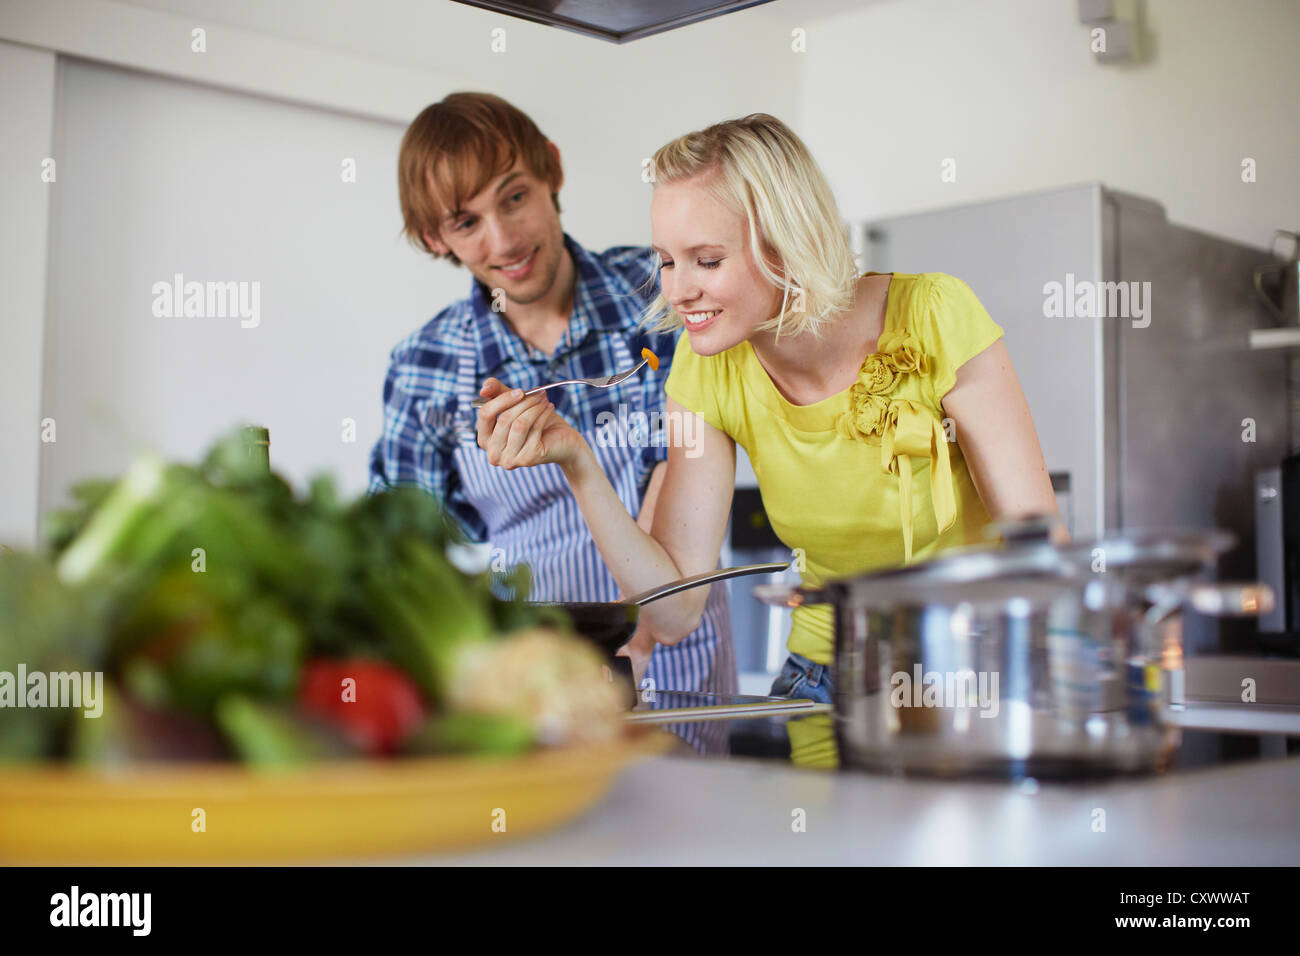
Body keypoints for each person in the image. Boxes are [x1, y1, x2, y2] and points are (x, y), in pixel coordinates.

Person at [474, 113, 1063, 763]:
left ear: (788, 244)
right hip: (820, 683)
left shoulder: (935, 316)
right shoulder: (705, 367)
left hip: (969, 677)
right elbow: (675, 612)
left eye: (706, 260)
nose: (679, 290)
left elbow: (1040, 548)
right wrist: (577, 462)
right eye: (666, 261)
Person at [368, 93, 737, 752]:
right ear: (434, 237)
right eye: (465, 221)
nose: (504, 241)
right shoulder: (423, 367)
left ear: (553, 173)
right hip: (539, 709)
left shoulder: (660, 294)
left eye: (514, 198)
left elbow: (682, 479)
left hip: (683, 691)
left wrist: (642, 637)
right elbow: (405, 562)